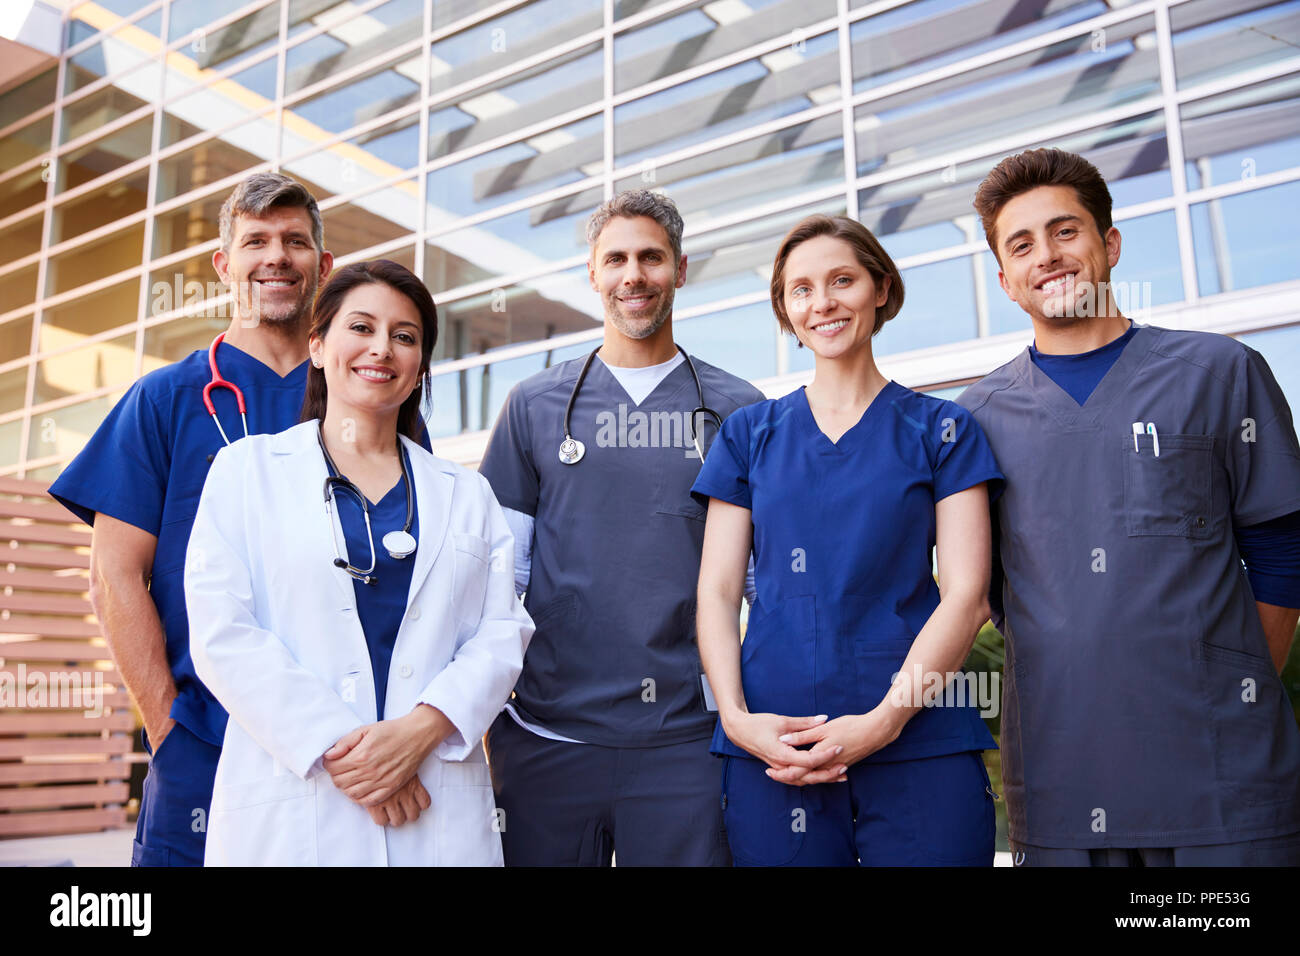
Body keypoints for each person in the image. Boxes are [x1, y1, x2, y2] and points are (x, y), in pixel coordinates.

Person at [958, 147, 1300, 866]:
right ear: (1005, 281)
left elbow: (1282, 552)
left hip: (1223, 779)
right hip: (1061, 777)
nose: (1047, 256)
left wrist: (1226, 686)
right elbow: (979, 592)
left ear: (1110, 244)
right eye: (1021, 245)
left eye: (1065, 231)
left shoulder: (1219, 372)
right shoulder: (976, 419)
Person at [184, 260, 531, 866]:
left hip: (434, 799)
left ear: (420, 365)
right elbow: (223, 633)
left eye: (404, 336)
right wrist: (356, 755)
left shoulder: (467, 493)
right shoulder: (246, 472)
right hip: (298, 801)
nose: (382, 349)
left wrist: (422, 730)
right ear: (317, 346)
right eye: (362, 327)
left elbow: (503, 631)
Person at [691, 214, 1003, 866]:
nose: (823, 303)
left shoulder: (943, 430)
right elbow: (717, 592)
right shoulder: (748, 435)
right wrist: (738, 720)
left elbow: (968, 594)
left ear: (880, 288)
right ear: (786, 309)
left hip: (920, 740)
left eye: (842, 280)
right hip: (777, 744)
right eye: (801, 289)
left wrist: (885, 722)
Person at [48, 173, 333, 866]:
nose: (276, 256)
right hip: (205, 742)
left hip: (341, 744)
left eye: (295, 241)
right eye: (256, 241)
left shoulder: (361, 399)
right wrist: (166, 729)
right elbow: (114, 577)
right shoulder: (164, 400)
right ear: (223, 264)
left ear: (323, 266)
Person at [477, 189, 764, 866]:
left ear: (680, 269)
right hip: (547, 741)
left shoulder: (740, 411)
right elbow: (493, 584)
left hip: (688, 746)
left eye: (651, 258)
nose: (633, 275)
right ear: (593, 274)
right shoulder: (534, 406)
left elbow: (763, 586)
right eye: (616, 260)